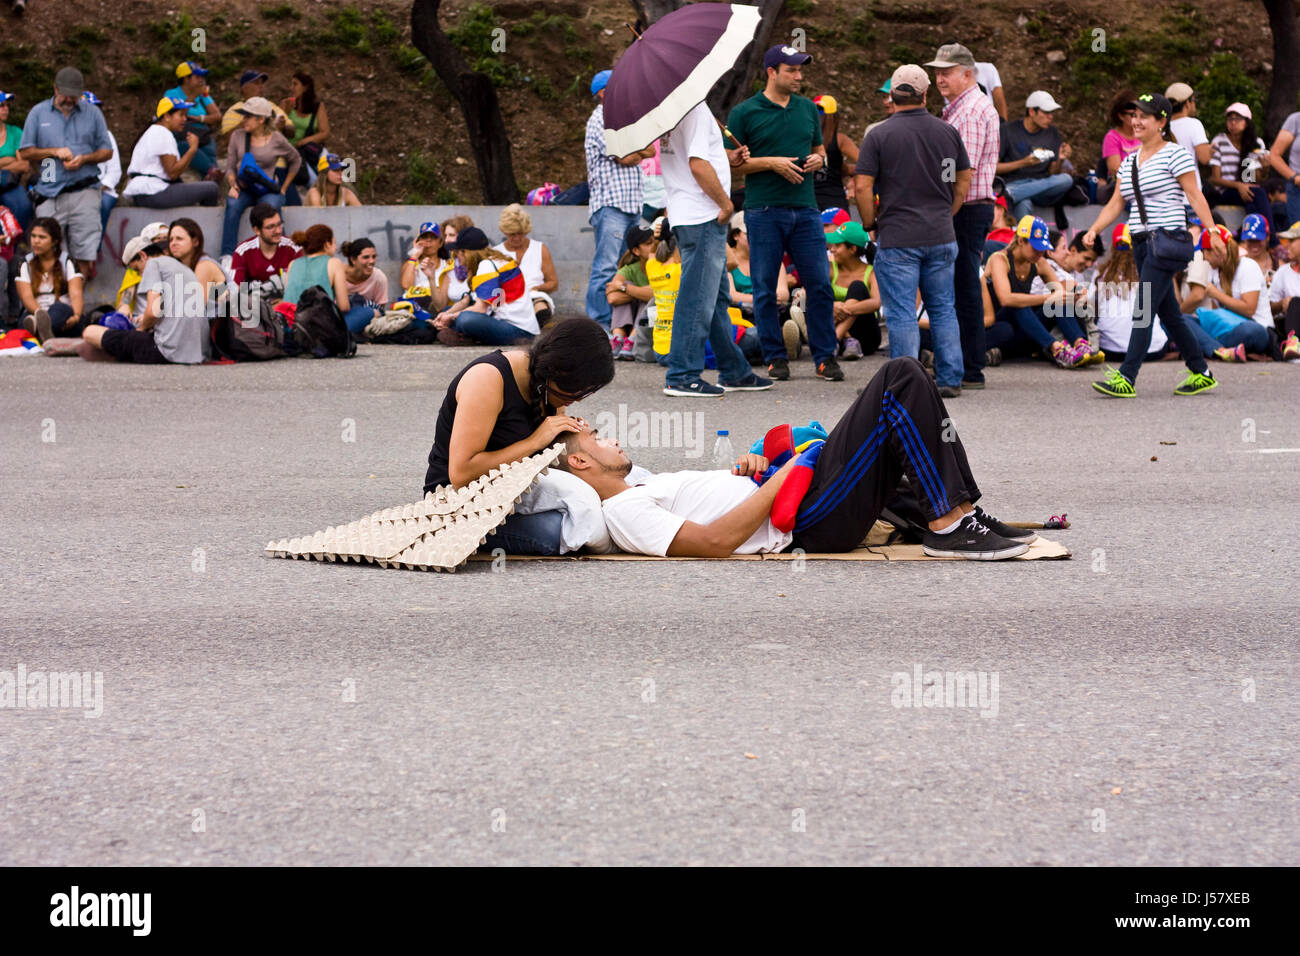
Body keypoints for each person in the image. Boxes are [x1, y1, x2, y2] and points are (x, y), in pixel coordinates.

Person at [558, 357, 1032, 561]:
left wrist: (752, 467)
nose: (612, 440)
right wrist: (781, 476)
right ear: (580, 464)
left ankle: (963, 512)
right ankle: (948, 527)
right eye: (599, 439)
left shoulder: (643, 484)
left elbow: (716, 505)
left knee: (911, 382)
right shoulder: (621, 511)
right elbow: (713, 541)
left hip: (801, 490)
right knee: (898, 378)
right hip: (807, 517)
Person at [422, 318, 616, 554]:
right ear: (556, 370)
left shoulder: (549, 387)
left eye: (586, 393)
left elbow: (540, 457)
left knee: (598, 510)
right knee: (557, 529)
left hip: (510, 490)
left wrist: (568, 438)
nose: (577, 399)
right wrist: (535, 441)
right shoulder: (488, 379)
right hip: (459, 501)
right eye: (576, 390)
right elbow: (461, 474)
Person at [1083, 92, 1223, 398]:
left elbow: (1195, 196)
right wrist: (1094, 229)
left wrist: (1211, 231)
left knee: (1142, 307)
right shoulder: (1130, 160)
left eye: (1144, 116)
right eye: (1134, 115)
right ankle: (1201, 371)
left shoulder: (1176, 154)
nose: (1136, 121)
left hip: (1168, 240)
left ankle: (1127, 376)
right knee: (1168, 313)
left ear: (1162, 122)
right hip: (1142, 243)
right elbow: (1117, 202)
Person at [728, 45, 843, 383]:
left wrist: (819, 160)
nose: (798, 76)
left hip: (806, 209)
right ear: (771, 72)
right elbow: (733, 162)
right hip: (763, 209)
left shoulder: (808, 109)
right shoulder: (744, 112)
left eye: (800, 70)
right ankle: (775, 356)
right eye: (791, 70)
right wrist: (772, 163)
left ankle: (825, 357)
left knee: (820, 285)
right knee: (765, 288)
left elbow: (819, 150)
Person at [854, 65, 970, 398]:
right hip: (941, 234)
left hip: (899, 235)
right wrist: (951, 210)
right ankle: (950, 378)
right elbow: (964, 177)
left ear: (892, 95)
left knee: (902, 312)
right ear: (925, 94)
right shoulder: (947, 131)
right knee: (943, 307)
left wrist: (870, 223)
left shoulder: (879, 135)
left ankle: (904, 385)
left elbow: (862, 185)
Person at [660, 96, 772, 396]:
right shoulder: (694, 109)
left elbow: (694, 155)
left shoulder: (676, 108)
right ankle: (682, 374)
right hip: (702, 214)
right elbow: (697, 164)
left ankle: (735, 371)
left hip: (689, 213)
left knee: (715, 299)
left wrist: (727, 157)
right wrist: (726, 204)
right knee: (698, 298)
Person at [928, 42, 1001, 391]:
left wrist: (944, 206)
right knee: (962, 285)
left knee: (963, 287)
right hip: (968, 205)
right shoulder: (963, 107)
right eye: (937, 72)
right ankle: (968, 365)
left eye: (947, 72)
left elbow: (961, 170)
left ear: (967, 74)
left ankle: (970, 368)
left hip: (965, 206)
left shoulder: (969, 111)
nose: (940, 78)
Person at [18, 67, 113, 280]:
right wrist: (52, 152)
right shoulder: (39, 113)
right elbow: (25, 152)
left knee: (84, 252)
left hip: (84, 188)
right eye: (65, 94)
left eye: (74, 95)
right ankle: (51, 302)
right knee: (46, 250)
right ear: (55, 89)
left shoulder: (92, 113)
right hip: (50, 186)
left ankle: (79, 306)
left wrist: (84, 158)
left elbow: (107, 151)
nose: (70, 99)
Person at [584, 69, 647, 332]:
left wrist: (637, 150)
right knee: (606, 266)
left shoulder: (624, 119)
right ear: (603, 93)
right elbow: (623, 156)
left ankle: (620, 327)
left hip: (631, 204)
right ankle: (600, 325)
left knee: (623, 266)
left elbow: (649, 149)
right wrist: (637, 150)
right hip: (611, 204)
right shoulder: (600, 120)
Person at [985, 215, 1091, 368]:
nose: (1040, 254)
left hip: (1024, 328)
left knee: (1056, 302)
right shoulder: (1000, 259)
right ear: (1021, 241)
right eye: (1036, 248)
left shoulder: (1039, 262)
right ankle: (1056, 349)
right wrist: (1048, 297)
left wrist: (1074, 296)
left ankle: (1080, 343)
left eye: (1043, 249)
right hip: (996, 327)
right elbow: (1006, 299)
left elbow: (1059, 293)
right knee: (1018, 305)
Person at [80, 241, 210, 364]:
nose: (140, 276)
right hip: (195, 353)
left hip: (167, 351)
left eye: (137, 270)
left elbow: (153, 313)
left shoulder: (153, 264)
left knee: (90, 332)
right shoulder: (181, 267)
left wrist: (141, 329)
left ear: (143, 255)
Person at [1179, 224, 1275, 360]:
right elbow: (1218, 315)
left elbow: (1249, 310)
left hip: (1254, 328)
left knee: (1251, 330)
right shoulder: (1213, 270)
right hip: (1227, 330)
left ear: (1216, 251)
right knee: (1182, 320)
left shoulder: (1247, 266)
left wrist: (1217, 295)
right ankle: (1221, 350)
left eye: (1204, 252)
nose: (1204, 258)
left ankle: (1208, 347)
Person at [221, 97, 301, 257]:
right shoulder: (237, 136)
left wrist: (284, 188)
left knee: (270, 208)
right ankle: (228, 256)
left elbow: (296, 159)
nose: (243, 120)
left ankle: (283, 254)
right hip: (243, 187)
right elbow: (229, 166)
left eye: (248, 116)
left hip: (268, 189)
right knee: (232, 205)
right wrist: (232, 184)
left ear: (261, 119)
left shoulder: (276, 138)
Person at [433, 226, 538, 346]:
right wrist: (447, 314)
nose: (456, 257)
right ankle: (465, 336)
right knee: (450, 312)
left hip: (518, 331)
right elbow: (467, 300)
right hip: (503, 323)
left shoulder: (487, 265)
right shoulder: (490, 261)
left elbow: (480, 309)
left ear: (467, 253)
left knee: (465, 319)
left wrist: (451, 317)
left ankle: (467, 336)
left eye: (457, 252)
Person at [122, 96, 221, 208]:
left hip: (143, 192)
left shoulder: (153, 131)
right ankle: (206, 224)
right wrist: (192, 149)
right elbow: (172, 173)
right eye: (181, 115)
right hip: (153, 192)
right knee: (211, 188)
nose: (185, 119)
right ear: (167, 116)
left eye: (185, 115)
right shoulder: (163, 133)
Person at [1093, 223, 1169, 361]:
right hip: (1151, 352)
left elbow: (1092, 308)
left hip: (1110, 350)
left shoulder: (1101, 273)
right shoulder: (1151, 271)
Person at [996, 91, 1074, 221]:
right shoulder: (1007, 130)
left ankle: (1011, 194)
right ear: (1032, 112)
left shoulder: (1052, 133)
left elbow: (1052, 172)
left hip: (1040, 185)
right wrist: (1024, 163)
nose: (1051, 117)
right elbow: (993, 168)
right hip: (1014, 182)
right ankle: (1022, 239)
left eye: (1052, 113)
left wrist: (1060, 159)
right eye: (1046, 112)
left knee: (1066, 179)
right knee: (1024, 203)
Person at [1207, 103, 1273, 239]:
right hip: (1223, 191)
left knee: (1253, 201)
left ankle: (1248, 237)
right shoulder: (1219, 141)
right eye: (1230, 119)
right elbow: (1214, 178)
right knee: (1258, 194)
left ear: (1247, 122)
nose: (1232, 123)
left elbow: (1253, 179)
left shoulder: (1256, 143)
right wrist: (1239, 185)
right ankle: (1272, 240)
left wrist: (1265, 168)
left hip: (1245, 190)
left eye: (1237, 119)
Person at [16, 217, 83, 340]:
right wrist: (41, 316)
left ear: (54, 241)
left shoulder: (67, 261)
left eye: (42, 237)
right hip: (35, 312)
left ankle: (38, 331)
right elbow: (26, 297)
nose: (36, 241)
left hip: (62, 313)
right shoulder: (25, 263)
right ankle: (44, 330)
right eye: (33, 236)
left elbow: (76, 294)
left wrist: (76, 317)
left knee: (59, 309)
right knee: (24, 321)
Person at [493, 203, 557, 328]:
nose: (517, 238)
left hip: (534, 296)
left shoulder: (539, 248)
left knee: (541, 306)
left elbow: (553, 283)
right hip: (508, 299)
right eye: (512, 234)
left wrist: (537, 288)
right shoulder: (496, 253)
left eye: (520, 233)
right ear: (505, 232)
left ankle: (537, 323)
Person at [162, 61, 221, 180]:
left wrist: (199, 118)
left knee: (209, 150)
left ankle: (211, 175)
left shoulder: (201, 93)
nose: (201, 80)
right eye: (197, 76)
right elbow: (174, 114)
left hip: (203, 133)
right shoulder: (171, 94)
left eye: (202, 76)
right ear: (186, 79)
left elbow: (217, 116)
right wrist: (193, 97)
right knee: (183, 146)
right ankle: (211, 171)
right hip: (183, 132)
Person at [606, 221, 655, 360]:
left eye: (654, 242)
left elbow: (657, 295)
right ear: (636, 251)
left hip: (653, 325)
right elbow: (612, 298)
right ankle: (619, 337)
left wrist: (626, 289)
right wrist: (640, 292)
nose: (654, 247)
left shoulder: (663, 265)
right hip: (632, 320)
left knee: (650, 301)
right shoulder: (629, 269)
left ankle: (633, 339)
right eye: (648, 243)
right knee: (635, 291)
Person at [230, 203, 301, 299]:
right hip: (255, 306)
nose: (278, 231)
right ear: (257, 230)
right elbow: (233, 288)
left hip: (287, 305)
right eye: (271, 227)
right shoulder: (243, 251)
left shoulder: (293, 248)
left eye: (279, 224)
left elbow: (302, 286)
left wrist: (284, 303)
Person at [282, 224, 350, 315]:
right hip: (319, 324)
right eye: (334, 243)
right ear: (327, 244)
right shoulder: (335, 263)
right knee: (366, 311)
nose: (336, 247)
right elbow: (344, 306)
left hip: (289, 324)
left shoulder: (293, 263)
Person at [810, 94, 860, 213]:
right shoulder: (840, 140)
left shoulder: (803, 139)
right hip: (834, 200)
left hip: (809, 200)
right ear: (834, 117)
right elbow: (866, 163)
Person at [80, 92, 120, 236]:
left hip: (101, 191)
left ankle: (92, 252)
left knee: (101, 204)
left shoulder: (106, 135)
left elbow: (115, 171)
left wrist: (97, 188)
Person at [281, 72, 329, 191]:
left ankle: (341, 194)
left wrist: (305, 141)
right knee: (312, 180)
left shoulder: (317, 107)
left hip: (309, 149)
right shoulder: (286, 105)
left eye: (295, 84)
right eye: (291, 84)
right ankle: (321, 198)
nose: (291, 88)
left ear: (305, 87)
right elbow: (275, 130)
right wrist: (285, 112)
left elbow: (325, 132)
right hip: (292, 152)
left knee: (330, 165)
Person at [220, 69, 292, 139]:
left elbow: (292, 132)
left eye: (262, 83)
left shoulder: (271, 106)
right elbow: (227, 140)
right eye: (256, 83)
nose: (261, 86)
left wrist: (283, 127)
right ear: (244, 88)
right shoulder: (234, 110)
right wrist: (247, 122)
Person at [1097, 90, 1140, 202]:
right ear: (1121, 116)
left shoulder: (1143, 134)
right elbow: (1116, 170)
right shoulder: (1112, 137)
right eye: (1132, 115)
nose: (1137, 118)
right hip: (1120, 185)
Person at [1166, 82, 1210, 191]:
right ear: (1187, 103)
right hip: (1189, 194)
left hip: (1167, 194)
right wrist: (1209, 150)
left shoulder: (1161, 126)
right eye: (1194, 101)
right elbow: (1204, 159)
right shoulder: (1194, 124)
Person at [340, 237, 389, 336]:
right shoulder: (338, 273)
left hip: (364, 315)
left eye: (374, 257)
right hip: (340, 313)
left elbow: (379, 310)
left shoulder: (379, 277)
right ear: (353, 259)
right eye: (366, 257)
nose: (371, 261)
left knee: (370, 312)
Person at [0, 90, 33, 232]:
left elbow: (24, 165)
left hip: (9, 184)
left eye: (7, 105)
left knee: (24, 206)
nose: (6, 108)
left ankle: (14, 247)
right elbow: (16, 163)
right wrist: (10, 160)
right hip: (8, 176)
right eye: (1, 105)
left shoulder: (15, 132)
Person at [1267, 220, 1300, 358]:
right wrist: (1282, 304)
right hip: (1288, 324)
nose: (1286, 246)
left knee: (1296, 302)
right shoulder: (1283, 271)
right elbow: (1270, 308)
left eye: (1292, 241)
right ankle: (1293, 342)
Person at [1267, 107, 1300, 229]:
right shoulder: (1296, 120)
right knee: (1298, 236)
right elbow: (1274, 155)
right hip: (1298, 189)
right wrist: (1294, 177)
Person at [1237, 213, 1276, 289]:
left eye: (1258, 240)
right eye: (1250, 240)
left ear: (1267, 237)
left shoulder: (1278, 265)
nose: (1254, 244)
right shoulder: (1236, 265)